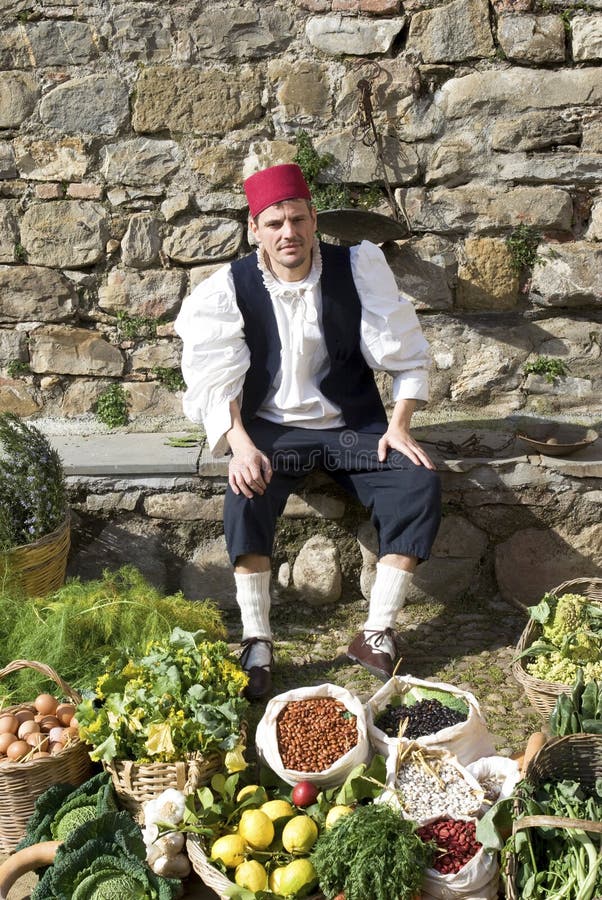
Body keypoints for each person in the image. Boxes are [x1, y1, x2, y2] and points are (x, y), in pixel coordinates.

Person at [174, 163, 441, 701]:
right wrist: (240, 445)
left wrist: (400, 423)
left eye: (297, 219)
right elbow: (215, 374)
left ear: (314, 220)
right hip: (273, 433)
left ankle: (376, 632)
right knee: (244, 490)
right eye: (274, 223)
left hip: (351, 427)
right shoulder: (230, 288)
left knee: (418, 480)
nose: (287, 233)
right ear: (255, 229)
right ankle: (257, 640)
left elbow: (407, 352)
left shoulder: (358, 268)